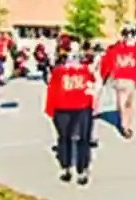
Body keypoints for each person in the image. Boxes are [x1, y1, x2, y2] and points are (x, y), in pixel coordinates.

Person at [45, 41, 97, 185]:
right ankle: (66, 167)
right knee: (64, 138)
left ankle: (82, 169)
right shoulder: (58, 72)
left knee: (83, 139)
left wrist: (92, 105)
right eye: (70, 52)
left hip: (83, 108)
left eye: (76, 52)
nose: (73, 56)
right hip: (62, 108)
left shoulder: (85, 70)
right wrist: (50, 109)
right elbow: (52, 90)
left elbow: (92, 87)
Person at [100, 25, 136, 138]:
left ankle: (128, 124)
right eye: (127, 35)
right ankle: (124, 126)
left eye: (131, 34)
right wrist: (105, 75)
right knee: (122, 102)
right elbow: (108, 60)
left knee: (129, 103)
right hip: (120, 79)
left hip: (131, 79)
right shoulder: (116, 48)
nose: (129, 37)